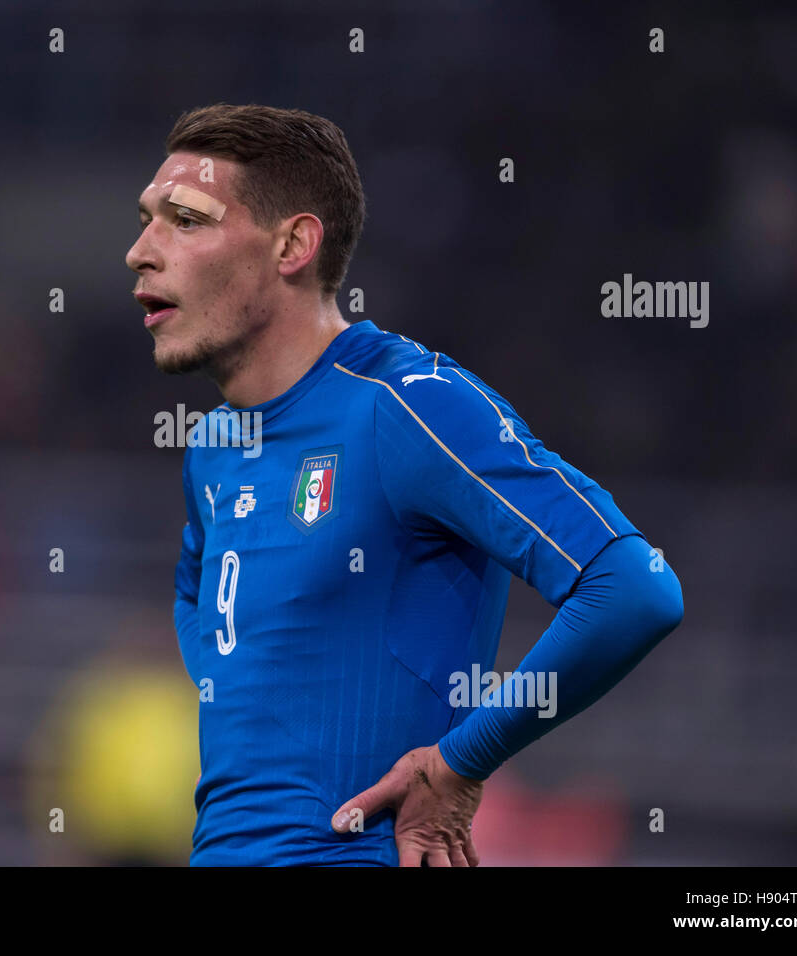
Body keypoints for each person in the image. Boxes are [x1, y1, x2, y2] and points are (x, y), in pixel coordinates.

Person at [125, 103, 684, 866]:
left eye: (185, 220)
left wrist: (459, 762)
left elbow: (635, 588)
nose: (139, 251)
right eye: (148, 219)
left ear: (293, 244)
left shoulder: (408, 403)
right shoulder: (216, 444)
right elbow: (197, 596)